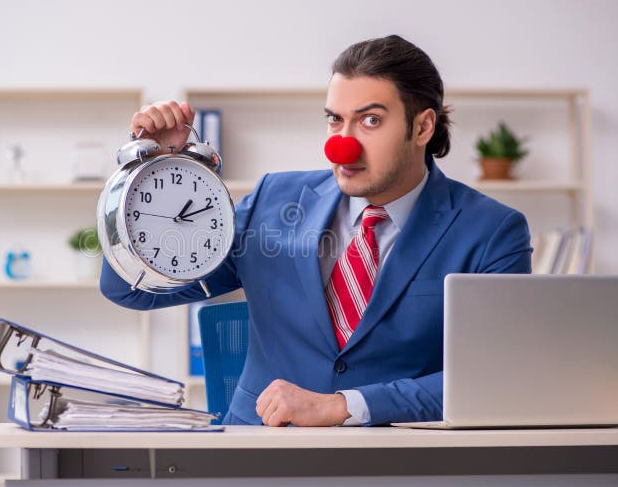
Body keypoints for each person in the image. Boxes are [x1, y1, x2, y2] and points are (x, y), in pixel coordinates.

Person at [100, 35, 532, 426]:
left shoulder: (492, 232)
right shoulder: (274, 199)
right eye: (334, 120)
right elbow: (131, 289)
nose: (341, 144)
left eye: (370, 121)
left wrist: (344, 405)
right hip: (257, 454)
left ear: (422, 127)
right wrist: (154, 169)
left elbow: (498, 376)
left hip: (396, 463)